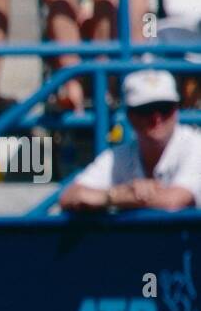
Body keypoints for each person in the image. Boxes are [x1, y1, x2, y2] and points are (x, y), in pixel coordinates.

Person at [59, 69, 201, 212]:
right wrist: (119, 194)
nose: (156, 118)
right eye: (146, 109)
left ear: (176, 110)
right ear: (130, 115)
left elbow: (173, 201)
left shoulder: (195, 145)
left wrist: (116, 197)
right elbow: (69, 196)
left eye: (164, 108)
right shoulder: (120, 156)